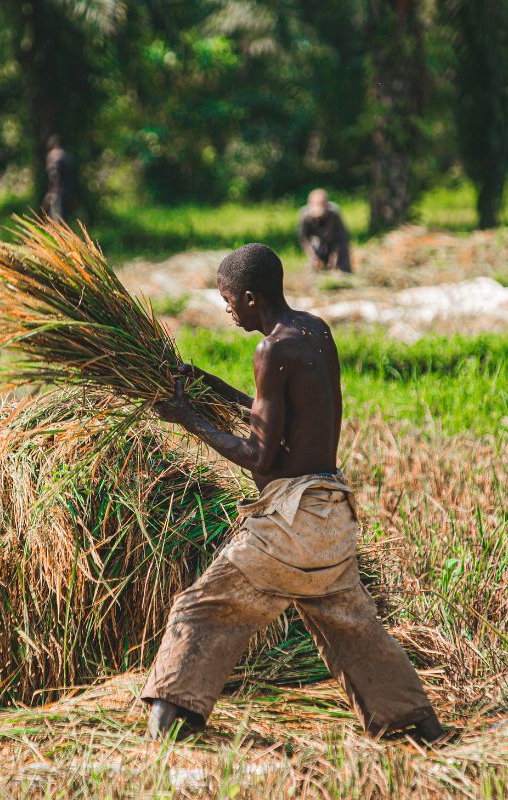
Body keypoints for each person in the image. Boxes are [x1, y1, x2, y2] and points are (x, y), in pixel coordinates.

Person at [145, 243, 445, 743]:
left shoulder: (271, 350)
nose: (225, 309)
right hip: (332, 513)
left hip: (291, 522)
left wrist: (187, 419)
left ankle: (167, 725)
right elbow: (283, 420)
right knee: (353, 628)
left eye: (227, 300)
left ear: (248, 297)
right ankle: (422, 723)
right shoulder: (313, 330)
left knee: (201, 608)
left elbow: (260, 456)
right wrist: (208, 386)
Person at [298, 189, 352, 273]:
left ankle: (345, 274)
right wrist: (313, 257)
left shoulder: (334, 213)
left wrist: (334, 255)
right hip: (317, 241)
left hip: (334, 239)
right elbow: (304, 239)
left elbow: (341, 236)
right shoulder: (304, 215)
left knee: (342, 258)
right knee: (314, 250)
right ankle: (315, 275)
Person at [41, 136, 76, 221]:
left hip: (57, 193)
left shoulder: (52, 155)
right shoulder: (67, 156)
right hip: (69, 192)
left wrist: (51, 192)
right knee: (66, 221)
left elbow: (53, 175)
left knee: (56, 221)